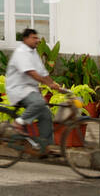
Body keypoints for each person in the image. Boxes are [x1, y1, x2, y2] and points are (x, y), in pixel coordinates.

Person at [5, 27, 65, 156]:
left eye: (37, 37)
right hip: (18, 89)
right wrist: (47, 83)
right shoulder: (21, 52)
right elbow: (30, 72)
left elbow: (42, 72)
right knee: (39, 102)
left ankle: (45, 146)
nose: (37, 40)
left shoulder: (33, 53)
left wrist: (54, 84)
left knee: (46, 114)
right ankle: (18, 122)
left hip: (29, 89)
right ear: (25, 39)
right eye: (34, 38)